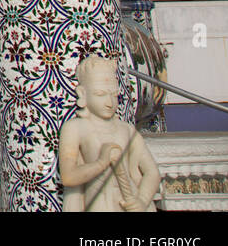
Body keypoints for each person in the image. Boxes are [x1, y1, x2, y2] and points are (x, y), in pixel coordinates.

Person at [58, 54, 159, 212]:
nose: (109, 102)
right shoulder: (75, 128)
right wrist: (101, 163)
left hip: (129, 201)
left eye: (114, 95)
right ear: (83, 94)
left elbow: (152, 172)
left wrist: (142, 200)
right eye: (100, 94)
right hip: (99, 203)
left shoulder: (126, 129)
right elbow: (68, 176)